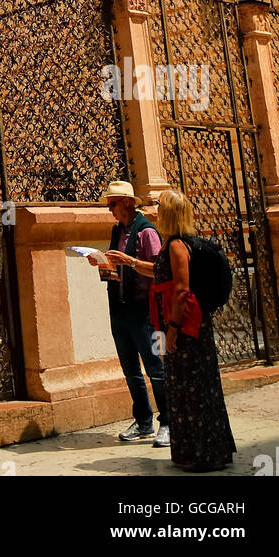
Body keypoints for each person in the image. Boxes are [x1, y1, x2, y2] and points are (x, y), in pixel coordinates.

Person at [111, 188, 236, 472]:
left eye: (159, 205)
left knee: (193, 389)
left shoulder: (178, 245)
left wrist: (173, 331)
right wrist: (129, 261)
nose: (154, 209)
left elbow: (181, 290)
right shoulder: (171, 243)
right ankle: (194, 452)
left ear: (169, 212)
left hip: (186, 328)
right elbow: (158, 272)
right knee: (184, 387)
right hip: (179, 325)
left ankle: (203, 455)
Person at [93, 180, 169, 446]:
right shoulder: (118, 231)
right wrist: (104, 262)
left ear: (127, 203)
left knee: (155, 368)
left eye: (112, 204)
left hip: (143, 311)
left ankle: (169, 421)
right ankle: (144, 421)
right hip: (120, 308)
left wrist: (131, 262)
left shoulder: (147, 232)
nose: (109, 210)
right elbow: (118, 267)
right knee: (130, 370)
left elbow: (158, 269)